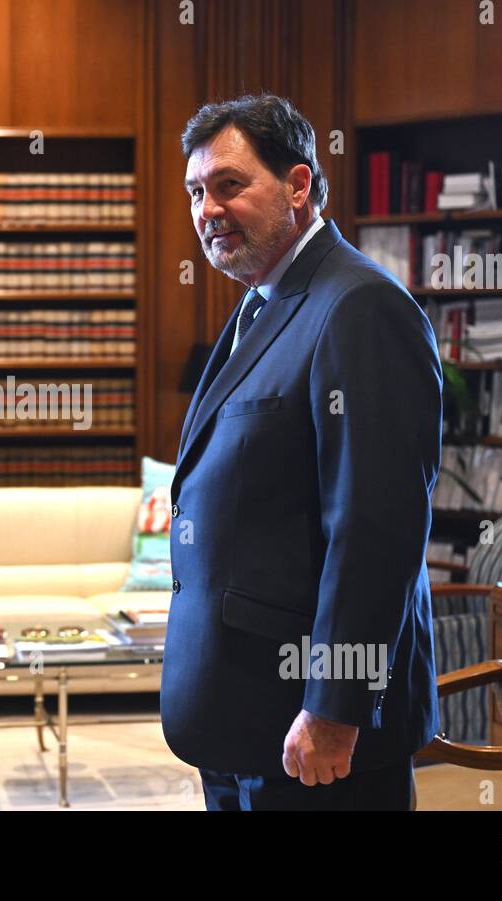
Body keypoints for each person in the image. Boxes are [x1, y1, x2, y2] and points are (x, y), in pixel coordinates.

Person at [160, 94, 442, 810]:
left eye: (229, 184)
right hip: (241, 718)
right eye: (196, 192)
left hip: (312, 737)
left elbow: (376, 530)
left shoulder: (360, 307)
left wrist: (334, 709)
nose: (207, 210)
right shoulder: (266, 298)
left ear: (298, 184)